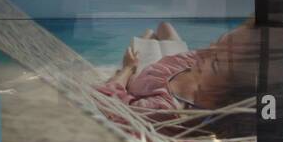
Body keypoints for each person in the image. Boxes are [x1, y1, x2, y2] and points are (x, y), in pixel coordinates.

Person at [97, 19, 265, 117]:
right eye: (219, 42)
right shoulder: (203, 63)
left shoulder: (164, 107)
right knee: (164, 25)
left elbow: (108, 100)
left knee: (146, 37)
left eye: (216, 60)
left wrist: (127, 68)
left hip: (147, 73)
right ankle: (151, 37)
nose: (206, 51)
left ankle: (148, 38)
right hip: (180, 62)